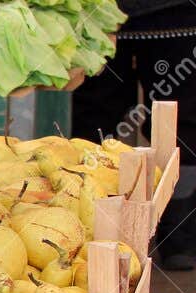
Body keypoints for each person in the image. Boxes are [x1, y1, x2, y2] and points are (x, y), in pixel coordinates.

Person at [71, 0, 196, 269]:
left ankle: (179, 232)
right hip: (100, 15)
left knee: (179, 121)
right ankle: (92, 224)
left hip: (178, 17)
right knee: (95, 125)